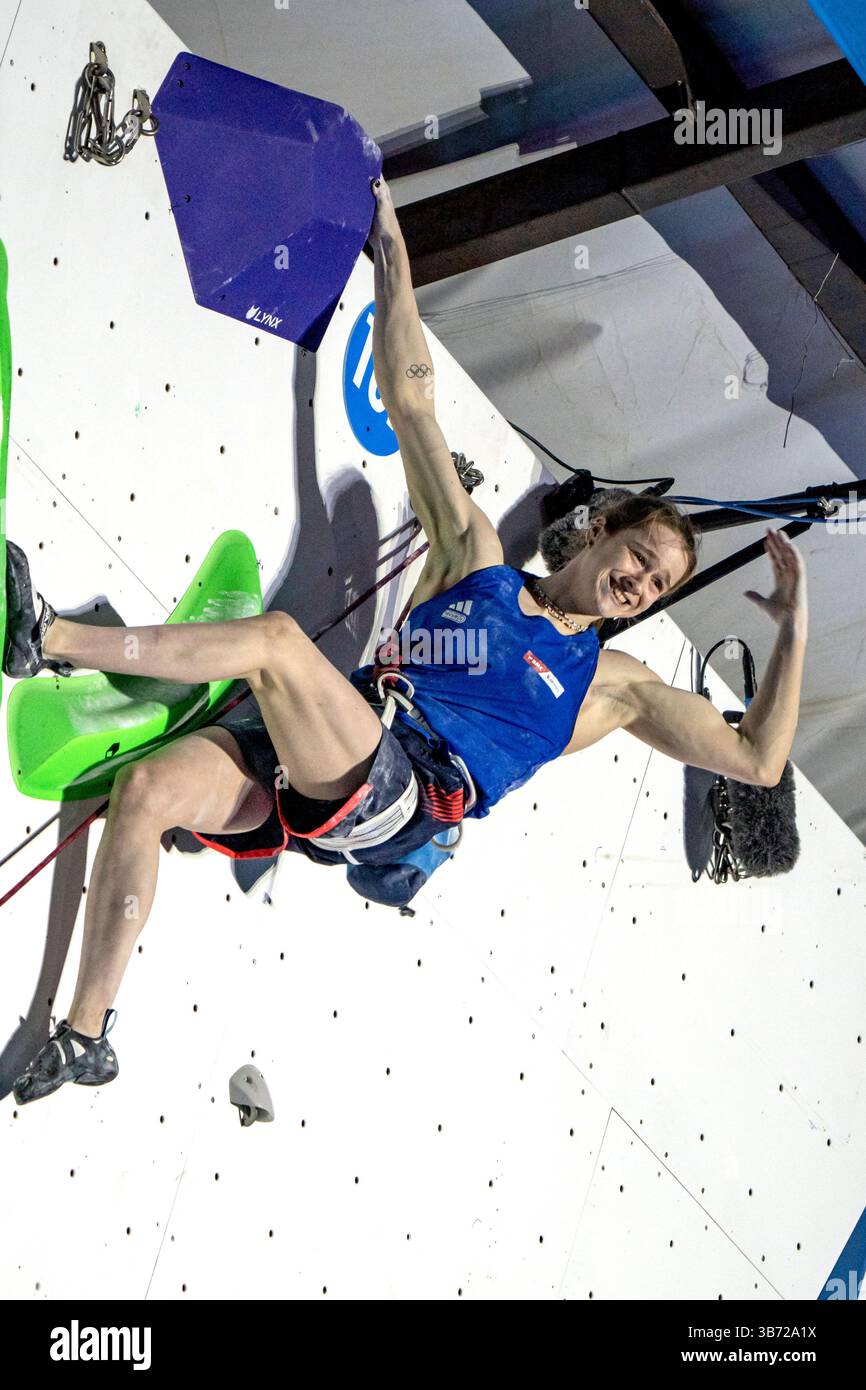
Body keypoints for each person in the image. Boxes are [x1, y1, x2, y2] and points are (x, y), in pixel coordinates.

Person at [4, 178, 808, 1105]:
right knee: (144, 791)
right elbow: (413, 402)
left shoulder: (610, 684)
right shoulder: (480, 558)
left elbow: (758, 759)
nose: (640, 585)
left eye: (658, 585)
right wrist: (393, 255)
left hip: (404, 793)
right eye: (639, 558)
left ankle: (49, 635)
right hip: (325, 747)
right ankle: (84, 1037)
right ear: (598, 533)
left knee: (273, 642)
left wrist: (791, 628)